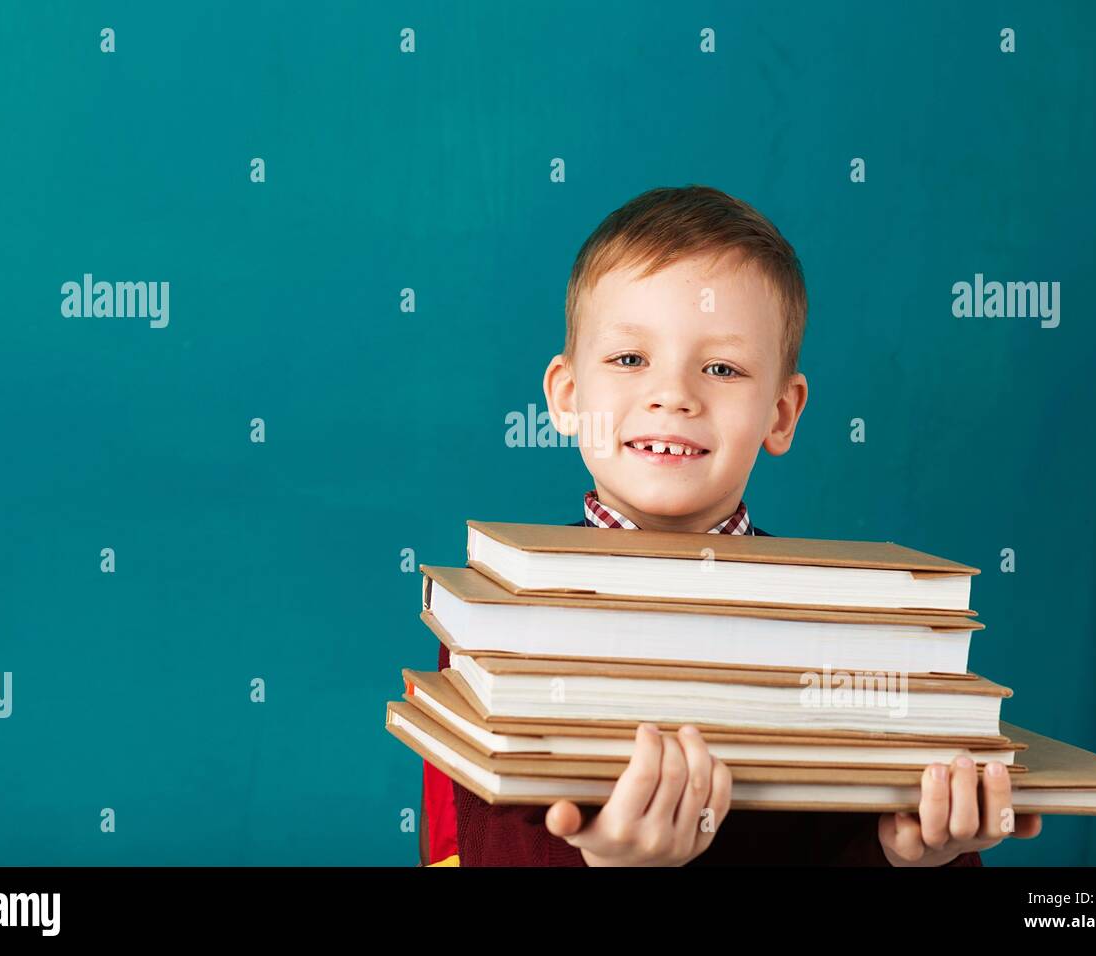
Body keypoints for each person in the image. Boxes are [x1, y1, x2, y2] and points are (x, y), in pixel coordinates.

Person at [420, 185, 1043, 866]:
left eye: (721, 367)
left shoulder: (853, 630)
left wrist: (909, 857)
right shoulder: (495, 620)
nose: (674, 395)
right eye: (630, 359)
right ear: (568, 397)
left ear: (781, 412)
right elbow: (475, 850)